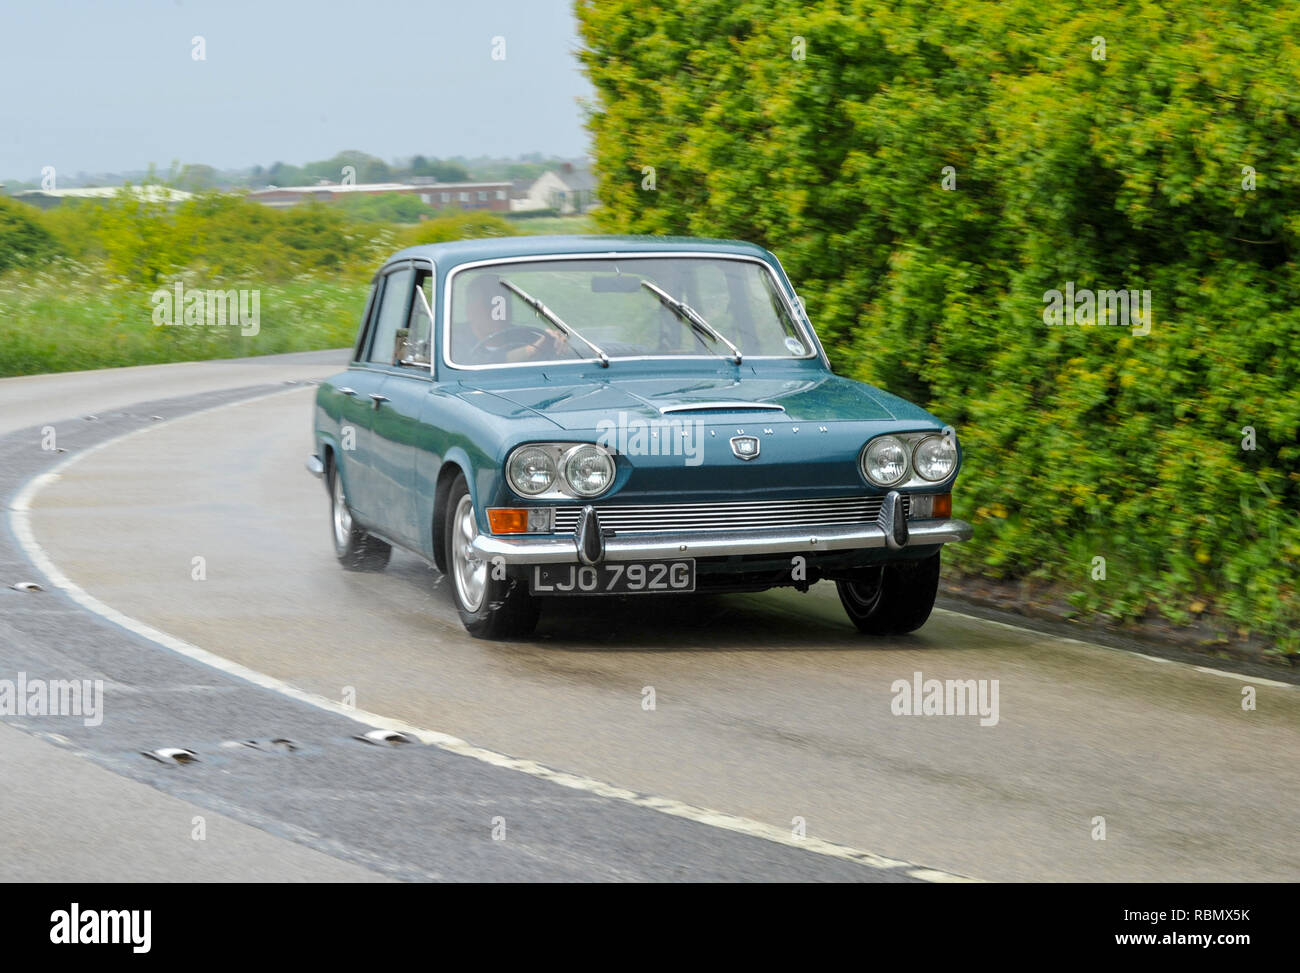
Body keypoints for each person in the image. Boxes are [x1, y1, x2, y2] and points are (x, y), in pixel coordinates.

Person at [454, 275, 571, 364]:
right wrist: (531, 350)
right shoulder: (453, 340)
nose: (498, 311)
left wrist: (555, 342)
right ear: (470, 311)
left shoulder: (525, 336)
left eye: (503, 303)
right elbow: (476, 363)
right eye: (489, 304)